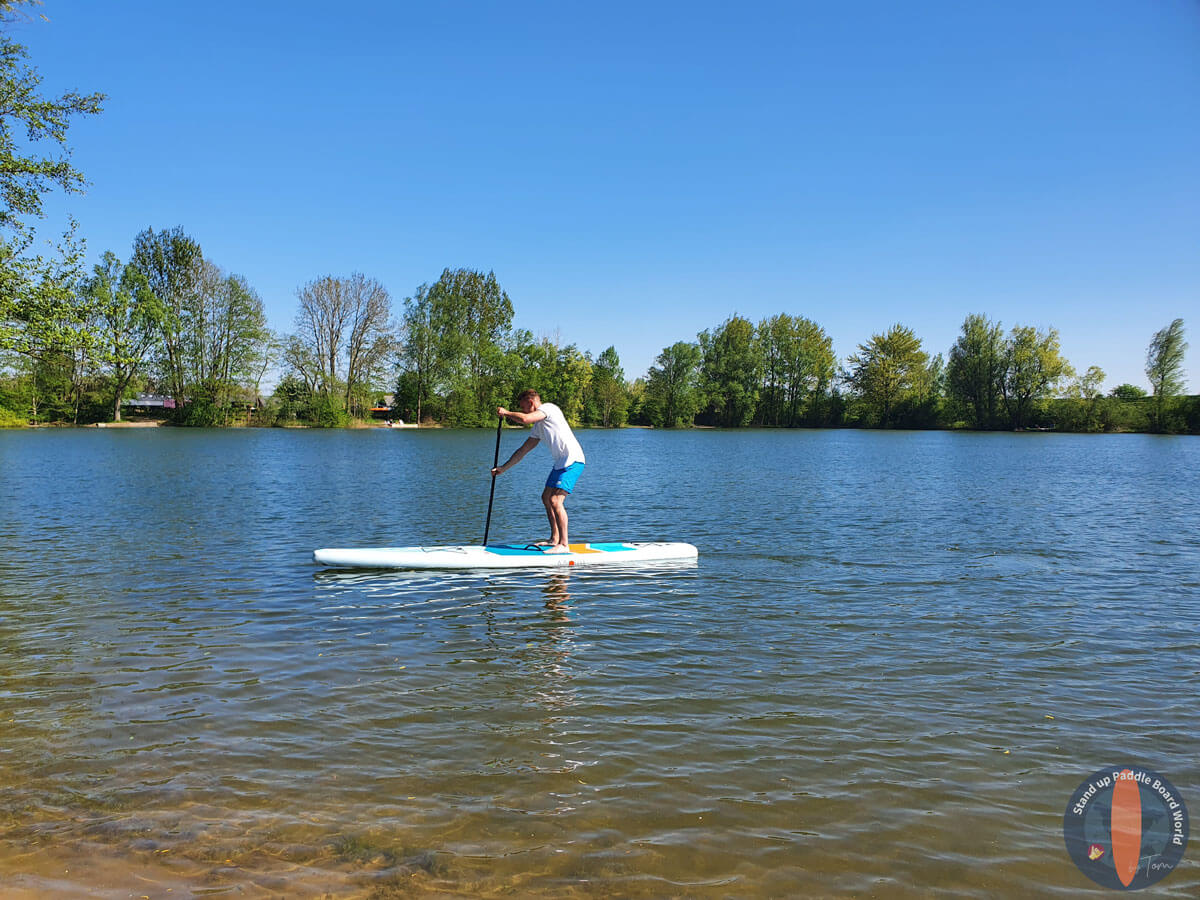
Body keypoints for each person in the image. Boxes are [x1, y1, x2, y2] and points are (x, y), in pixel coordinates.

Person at [491, 389, 585, 553]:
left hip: (573, 461)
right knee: (546, 498)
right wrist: (503, 468)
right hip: (560, 463)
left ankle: (564, 544)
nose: (523, 410)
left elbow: (525, 419)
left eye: (523, 407)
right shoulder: (538, 427)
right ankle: (554, 539)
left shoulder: (549, 409)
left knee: (555, 500)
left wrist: (506, 413)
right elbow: (523, 450)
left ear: (531, 402)